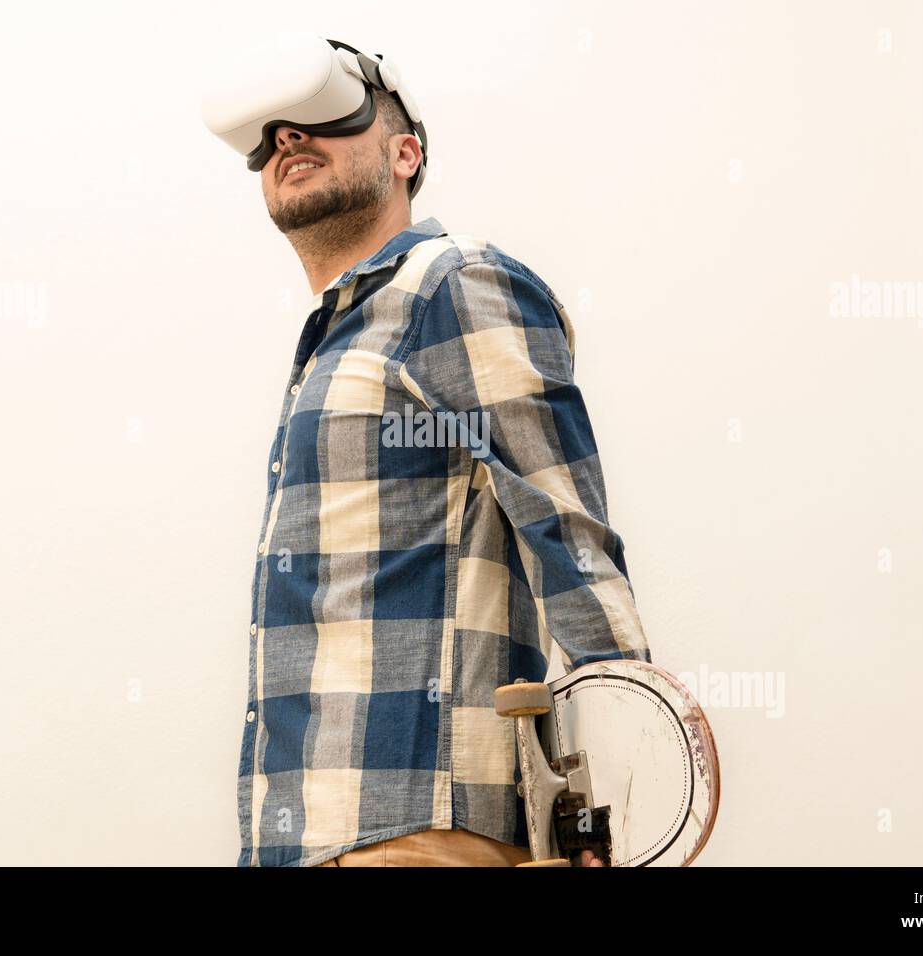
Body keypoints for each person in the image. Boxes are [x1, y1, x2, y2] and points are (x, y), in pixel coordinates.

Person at [233, 46, 652, 868]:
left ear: (405, 153)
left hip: (413, 834)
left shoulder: (452, 283)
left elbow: (566, 529)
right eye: (271, 138)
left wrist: (637, 784)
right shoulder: (336, 341)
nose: (288, 138)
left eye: (327, 119)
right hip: (307, 836)